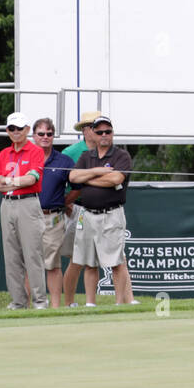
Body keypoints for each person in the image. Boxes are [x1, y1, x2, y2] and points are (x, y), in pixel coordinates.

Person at [67, 115, 137, 305]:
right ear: (93, 135)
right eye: (100, 132)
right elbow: (73, 177)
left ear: (112, 133)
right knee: (89, 263)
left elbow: (115, 180)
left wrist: (87, 179)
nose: (104, 135)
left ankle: (119, 303)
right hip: (88, 214)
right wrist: (98, 172)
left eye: (108, 131)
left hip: (111, 214)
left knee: (116, 262)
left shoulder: (121, 155)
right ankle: (90, 303)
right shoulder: (86, 156)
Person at [0, 112, 46, 310]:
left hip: (28, 204)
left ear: (27, 130)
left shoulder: (35, 151)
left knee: (33, 255)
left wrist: (8, 181)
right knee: (11, 256)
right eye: (11, 129)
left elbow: (31, 180)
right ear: (7, 131)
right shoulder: (4, 153)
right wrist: (12, 183)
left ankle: (40, 301)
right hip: (7, 203)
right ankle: (18, 301)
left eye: (19, 128)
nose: (15, 132)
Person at [61, 112, 102, 305]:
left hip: (103, 210)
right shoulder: (70, 152)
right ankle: (69, 303)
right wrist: (66, 202)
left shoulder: (109, 150)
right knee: (77, 260)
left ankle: (92, 302)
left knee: (99, 260)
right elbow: (57, 182)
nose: (100, 132)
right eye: (95, 128)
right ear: (85, 131)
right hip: (78, 210)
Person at [33, 118, 74, 307]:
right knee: (29, 264)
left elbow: (77, 186)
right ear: (34, 136)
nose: (45, 137)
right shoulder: (26, 157)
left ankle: (55, 308)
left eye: (49, 134)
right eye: (41, 134)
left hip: (53, 217)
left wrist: (65, 201)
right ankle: (32, 306)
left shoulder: (64, 160)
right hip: (29, 216)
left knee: (53, 264)